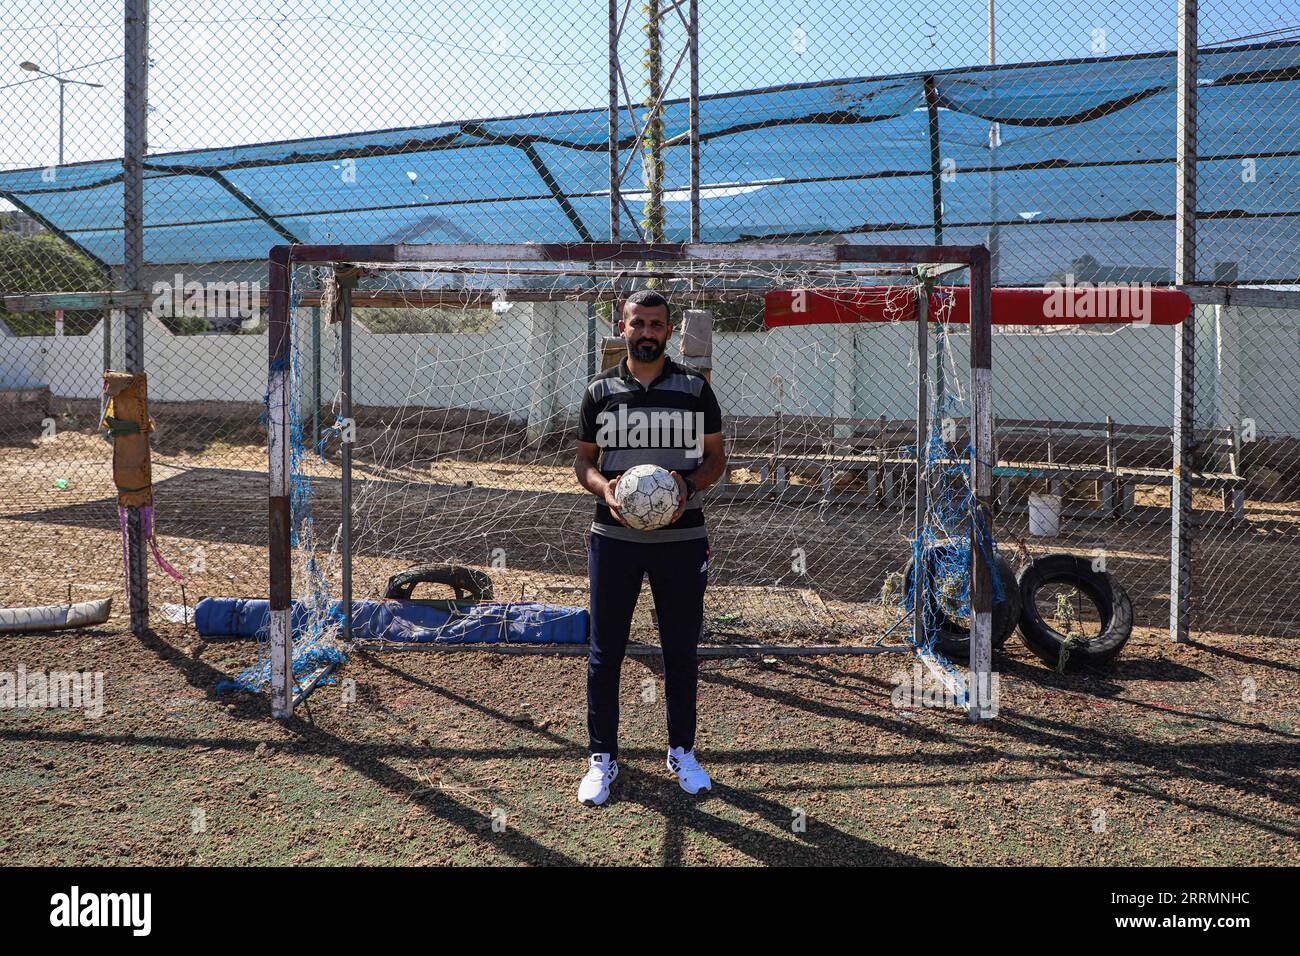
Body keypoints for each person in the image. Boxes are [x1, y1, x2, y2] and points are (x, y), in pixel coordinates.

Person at [572, 290, 727, 806]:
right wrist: (606, 490)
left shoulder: (695, 389)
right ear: (623, 327)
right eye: (637, 323)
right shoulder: (599, 391)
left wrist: (688, 487)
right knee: (605, 652)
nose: (646, 332)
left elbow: (716, 458)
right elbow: (584, 462)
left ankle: (682, 751)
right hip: (614, 539)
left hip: (681, 540)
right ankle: (602, 757)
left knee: (680, 651)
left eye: (656, 324)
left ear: (669, 331)